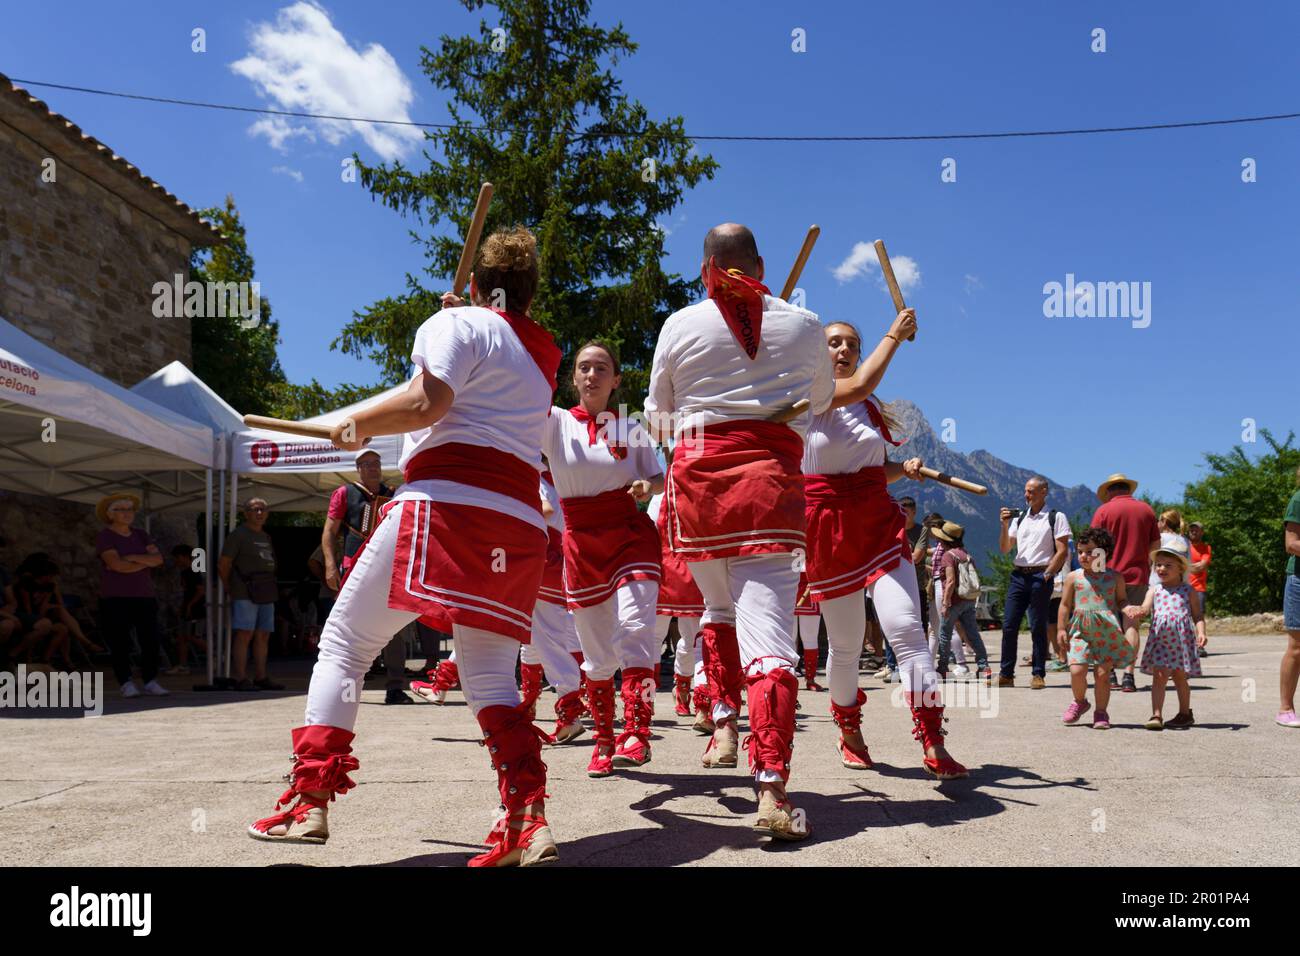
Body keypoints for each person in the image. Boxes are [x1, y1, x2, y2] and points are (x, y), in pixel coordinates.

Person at [246, 225, 563, 867]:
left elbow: (428, 402)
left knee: (344, 645)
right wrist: (460, 323)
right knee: (491, 676)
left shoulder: (459, 326)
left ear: (474, 285)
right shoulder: (540, 356)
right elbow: (481, 366)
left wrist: (356, 420)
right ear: (528, 294)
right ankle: (528, 818)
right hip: (516, 519)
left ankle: (310, 801)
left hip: (448, 503)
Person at [645, 222, 836, 839]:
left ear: (705, 265)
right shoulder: (806, 326)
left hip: (699, 484)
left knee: (717, 608)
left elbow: (657, 418)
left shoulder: (679, 324)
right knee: (773, 638)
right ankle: (773, 787)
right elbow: (819, 401)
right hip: (771, 490)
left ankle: (725, 720)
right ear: (759, 261)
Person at [801, 318, 969, 781]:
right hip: (828, 529)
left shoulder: (868, 406)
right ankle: (849, 731)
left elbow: (868, 468)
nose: (844, 349)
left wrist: (901, 469)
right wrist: (893, 334)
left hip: (877, 520)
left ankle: (934, 741)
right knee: (846, 646)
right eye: (833, 342)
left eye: (852, 344)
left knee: (907, 629)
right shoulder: (806, 396)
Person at [542, 340, 664, 777]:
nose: (591, 375)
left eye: (601, 368)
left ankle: (638, 731)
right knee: (596, 656)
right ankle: (604, 738)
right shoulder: (552, 421)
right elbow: (510, 384)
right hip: (582, 542)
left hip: (630, 534)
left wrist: (647, 488)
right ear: (572, 378)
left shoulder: (631, 426)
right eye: (583, 368)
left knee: (635, 627)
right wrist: (471, 318)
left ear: (616, 380)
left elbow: (657, 474)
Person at [322, 450, 409, 705]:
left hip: (387, 567)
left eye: (377, 463)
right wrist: (329, 564)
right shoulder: (345, 493)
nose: (373, 468)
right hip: (353, 565)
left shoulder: (393, 493)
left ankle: (395, 687)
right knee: (346, 625)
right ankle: (343, 687)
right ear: (358, 467)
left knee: (394, 628)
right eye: (368, 464)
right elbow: (329, 532)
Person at [529, 469, 587, 743]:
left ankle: (570, 710)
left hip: (547, 562)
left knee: (548, 640)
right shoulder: (563, 476)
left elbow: (545, 509)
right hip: (564, 559)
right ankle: (573, 708)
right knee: (556, 637)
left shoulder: (535, 476)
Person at [998, 477, 1071, 689]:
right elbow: (1005, 548)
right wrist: (1003, 526)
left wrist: (1048, 574)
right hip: (1018, 575)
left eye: (1031, 491)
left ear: (1044, 491)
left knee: (1038, 625)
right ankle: (1006, 673)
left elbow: (1063, 550)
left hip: (1041, 574)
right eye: (1025, 491)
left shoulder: (1055, 517)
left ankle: (1038, 673)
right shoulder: (1019, 518)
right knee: (1009, 625)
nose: (1026, 495)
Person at [1090, 473, 1160, 694]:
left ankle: (1109, 673)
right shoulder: (1146, 510)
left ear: (1110, 491)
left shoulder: (1103, 511)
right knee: (1132, 625)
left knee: (1107, 627)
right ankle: (1129, 675)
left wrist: (1098, 574)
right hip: (1137, 575)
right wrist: (1147, 567)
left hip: (1108, 576)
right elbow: (1155, 546)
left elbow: (1095, 547)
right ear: (1128, 489)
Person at [1058, 527, 1132, 729]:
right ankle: (1080, 702)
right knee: (1076, 670)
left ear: (1104, 553)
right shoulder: (1074, 577)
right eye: (1080, 551)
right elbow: (1064, 605)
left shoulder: (1115, 577)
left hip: (1106, 632)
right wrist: (1061, 629)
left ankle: (1101, 712)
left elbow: (1122, 600)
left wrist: (1129, 609)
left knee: (1102, 674)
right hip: (1080, 630)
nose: (1083, 556)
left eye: (1090, 552)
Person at [95, 493, 168, 697]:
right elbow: (115, 564)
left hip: (144, 595)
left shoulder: (141, 534)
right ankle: (125, 682)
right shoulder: (105, 536)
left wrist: (133, 558)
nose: (127, 513)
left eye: (130, 509)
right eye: (121, 509)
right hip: (115, 597)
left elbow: (158, 559)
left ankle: (150, 680)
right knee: (120, 641)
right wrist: (144, 561)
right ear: (111, 514)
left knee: (151, 639)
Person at [1131, 541, 1206, 730]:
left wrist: (1201, 632)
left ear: (1180, 568)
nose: (1161, 568)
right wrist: (1139, 611)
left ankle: (1184, 713)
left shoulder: (1188, 590)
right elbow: (1146, 607)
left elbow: (1197, 615)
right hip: (1160, 641)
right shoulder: (1154, 590)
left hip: (1181, 642)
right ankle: (1156, 715)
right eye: (1158, 565)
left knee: (1180, 678)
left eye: (1167, 565)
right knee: (1159, 676)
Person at [647, 479, 705, 720]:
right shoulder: (659, 496)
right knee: (652, 637)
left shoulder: (700, 489)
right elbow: (649, 531)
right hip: (661, 569)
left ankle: (683, 692)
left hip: (691, 569)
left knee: (692, 638)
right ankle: (645, 700)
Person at [219, 498, 284, 691]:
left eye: (263, 509)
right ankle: (240, 677)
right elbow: (224, 563)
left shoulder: (265, 536)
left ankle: (261, 676)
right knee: (245, 633)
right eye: (255, 509)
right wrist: (228, 586)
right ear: (246, 513)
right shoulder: (238, 535)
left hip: (265, 590)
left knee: (263, 634)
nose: (259, 513)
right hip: (244, 591)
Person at [932, 522, 991, 681]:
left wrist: (945, 603)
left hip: (954, 601)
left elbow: (950, 581)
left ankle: (943, 668)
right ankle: (983, 666)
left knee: (944, 635)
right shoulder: (965, 554)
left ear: (944, 540)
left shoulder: (948, 556)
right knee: (972, 634)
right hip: (968, 600)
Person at [1279, 470, 1300, 729]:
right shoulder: (1298, 500)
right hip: (1298, 580)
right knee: (1297, 647)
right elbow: (1291, 544)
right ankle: (1285, 708)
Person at [165, 544, 206, 674]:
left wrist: (190, 605)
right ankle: (183, 666)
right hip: (186, 608)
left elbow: (200, 591)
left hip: (195, 610)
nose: (175, 561)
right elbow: (187, 592)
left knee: (192, 636)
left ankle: (217, 654)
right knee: (182, 637)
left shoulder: (194, 571)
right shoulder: (184, 572)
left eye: (177, 558)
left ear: (183, 557)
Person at [1187, 521, 1212, 657]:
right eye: (1191, 530)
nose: (1194, 532)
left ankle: (1200, 645)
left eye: (1196, 530)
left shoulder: (1206, 548)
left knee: (1199, 616)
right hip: (1183, 587)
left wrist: (1184, 566)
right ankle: (1187, 644)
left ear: (1202, 532)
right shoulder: (1184, 546)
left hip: (1199, 587)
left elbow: (1201, 566)